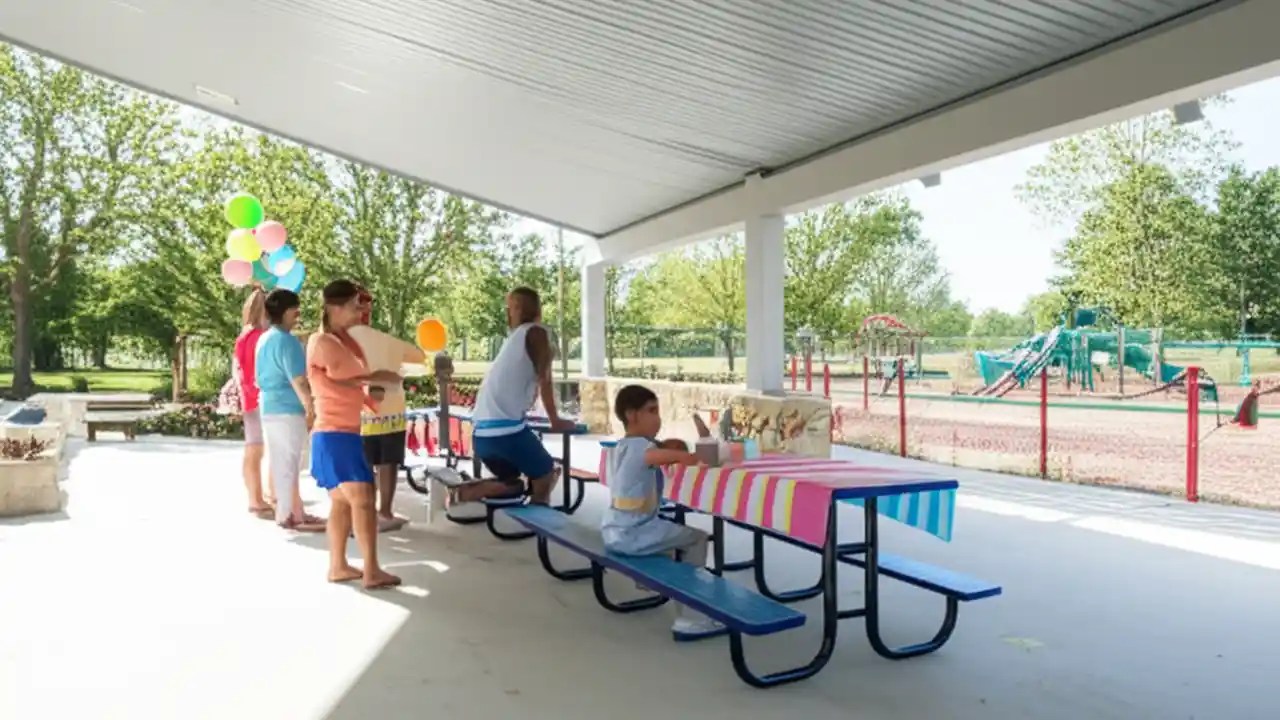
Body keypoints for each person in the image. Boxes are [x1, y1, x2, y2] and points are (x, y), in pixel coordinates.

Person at [603, 384, 724, 640]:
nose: (658, 418)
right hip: (633, 533)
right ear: (632, 415)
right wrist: (693, 451)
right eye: (652, 410)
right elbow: (685, 457)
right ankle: (693, 617)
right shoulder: (641, 449)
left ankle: (648, 579)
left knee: (670, 534)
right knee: (697, 538)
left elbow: (661, 452)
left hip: (614, 530)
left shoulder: (623, 446)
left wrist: (673, 451)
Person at [307, 279, 403, 589]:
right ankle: (371, 570)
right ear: (333, 307)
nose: (359, 311)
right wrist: (374, 377)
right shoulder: (322, 342)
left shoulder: (344, 342)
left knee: (342, 503)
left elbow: (348, 384)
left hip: (342, 432)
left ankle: (338, 566)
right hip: (335, 434)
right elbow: (335, 379)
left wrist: (371, 396)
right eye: (353, 305)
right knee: (363, 499)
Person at [453, 287, 575, 505]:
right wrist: (555, 419)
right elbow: (544, 379)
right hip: (506, 433)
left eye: (509, 308)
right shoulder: (536, 333)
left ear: (518, 308)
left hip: (481, 436)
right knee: (546, 474)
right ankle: (540, 523)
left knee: (515, 484)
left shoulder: (515, 339)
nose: (507, 313)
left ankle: (469, 490)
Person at [347, 288, 426, 532]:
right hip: (392, 409)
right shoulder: (386, 340)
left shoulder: (338, 340)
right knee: (388, 462)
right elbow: (420, 357)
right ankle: (385, 511)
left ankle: (366, 512)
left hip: (357, 410)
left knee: (364, 463)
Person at [256, 289, 325, 532]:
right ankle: (288, 515)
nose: (298, 313)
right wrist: (311, 407)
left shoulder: (264, 338)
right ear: (285, 311)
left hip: (269, 407)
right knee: (290, 463)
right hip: (287, 409)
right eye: (295, 308)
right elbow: (298, 380)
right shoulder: (288, 342)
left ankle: (295, 511)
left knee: (281, 461)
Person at [234, 289, 272, 519]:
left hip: (248, 396)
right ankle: (257, 499)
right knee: (256, 449)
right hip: (258, 396)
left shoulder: (244, 336)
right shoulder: (260, 337)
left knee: (252, 449)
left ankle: (255, 496)